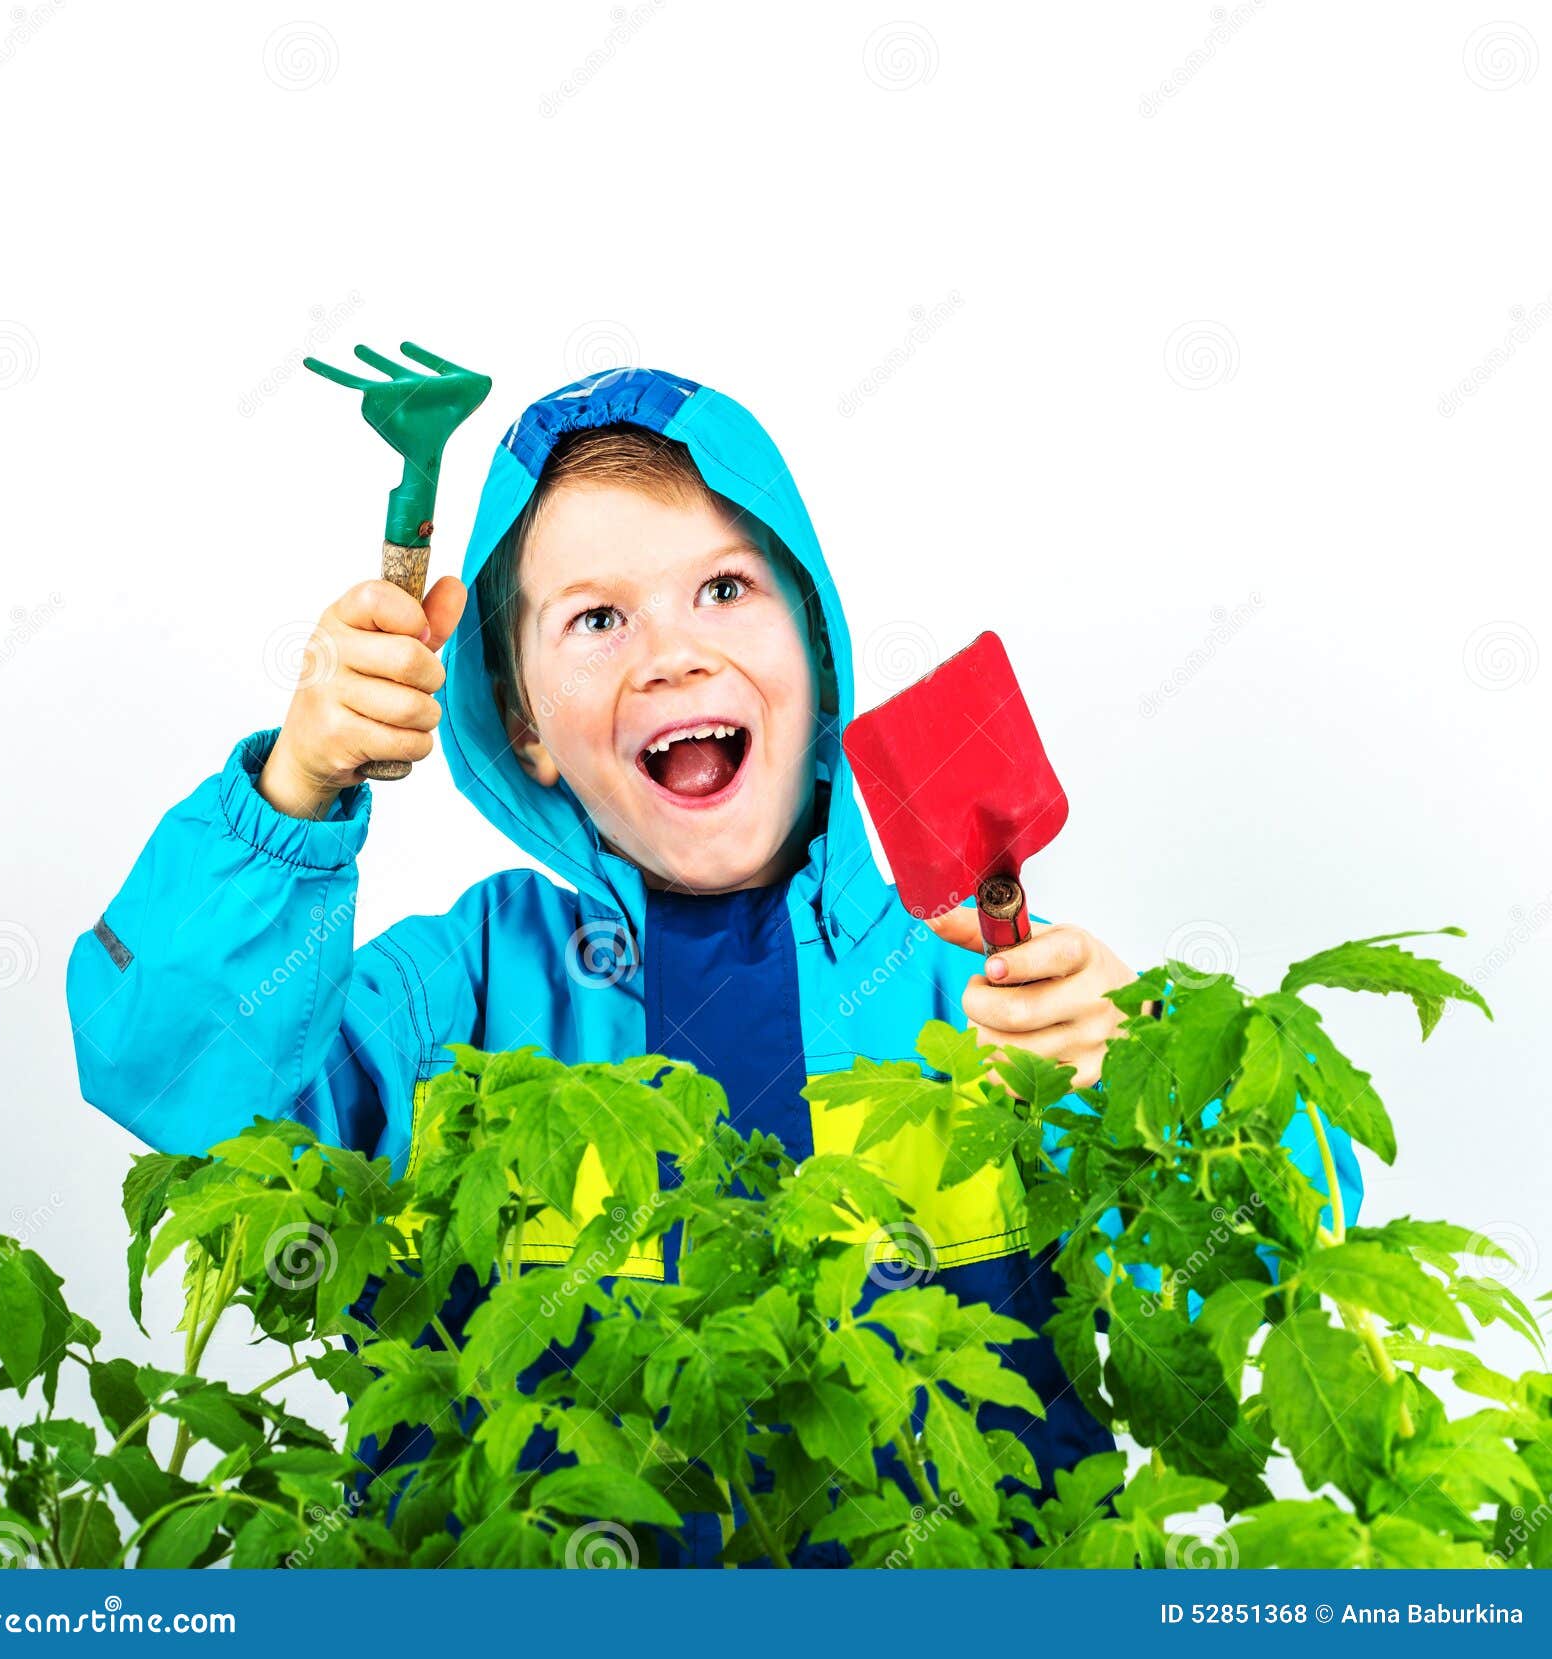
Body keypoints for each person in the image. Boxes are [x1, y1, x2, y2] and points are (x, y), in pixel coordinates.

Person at [66, 365, 1361, 1565]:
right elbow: (179, 1080)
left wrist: (1146, 1088)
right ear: (521, 727)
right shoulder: (460, 991)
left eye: (727, 591)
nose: (673, 651)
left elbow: (1263, 1278)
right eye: (596, 618)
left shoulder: (984, 997)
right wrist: (293, 796)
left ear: (817, 645)